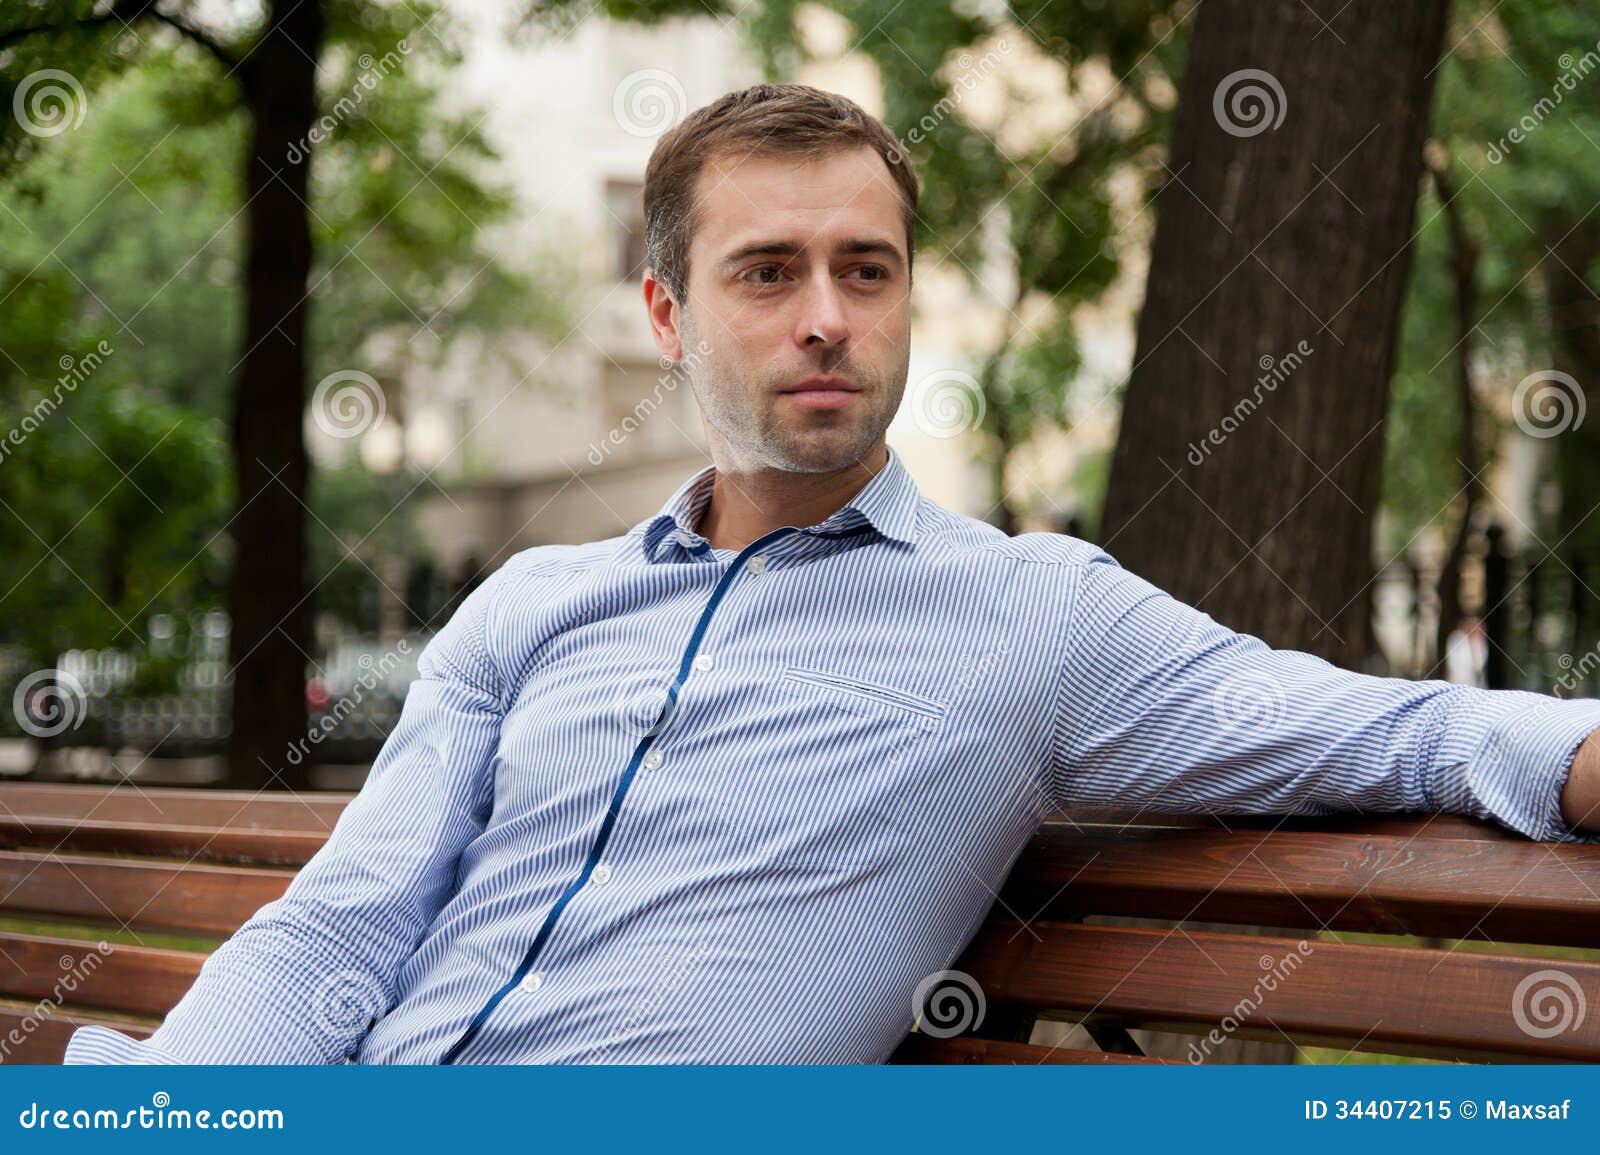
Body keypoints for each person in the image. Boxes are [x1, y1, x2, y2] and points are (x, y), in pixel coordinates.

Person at [64, 83, 1600, 1066]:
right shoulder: (530, 602)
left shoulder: (1034, 617)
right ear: (667, 314)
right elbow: (340, 926)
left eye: (866, 270)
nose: (825, 317)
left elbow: (1409, 731)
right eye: (768, 271)